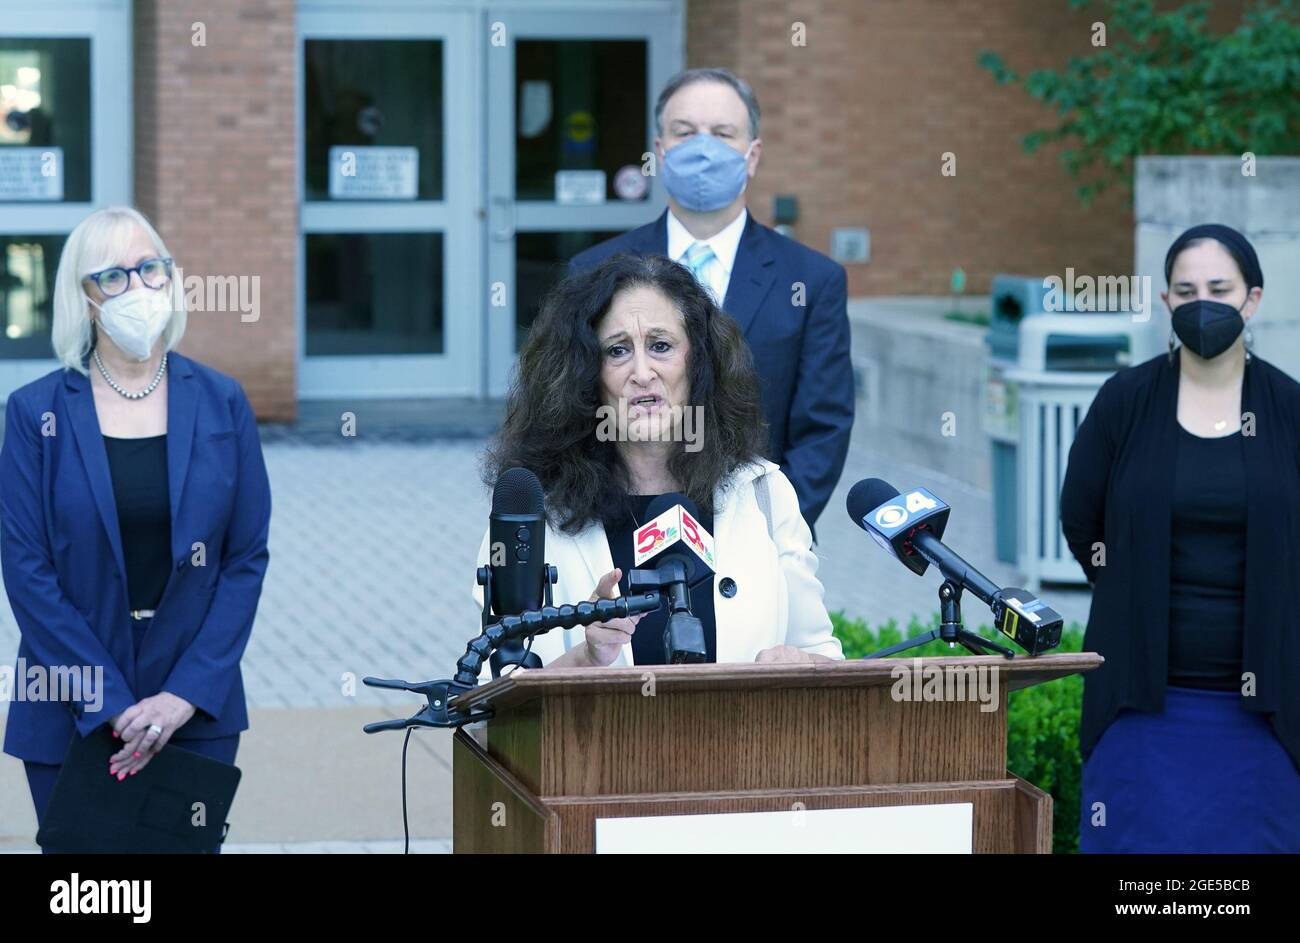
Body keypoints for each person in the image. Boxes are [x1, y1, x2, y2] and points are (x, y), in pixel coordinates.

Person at [0, 206, 272, 841]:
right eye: (114, 276)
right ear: (84, 297)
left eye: (151, 268)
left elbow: (244, 560)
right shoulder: (34, 412)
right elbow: (27, 571)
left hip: (194, 703)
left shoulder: (222, 401)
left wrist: (182, 696)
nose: (139, 288)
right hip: (70, 702)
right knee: (91, 891)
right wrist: (109, 703)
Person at [474, 252, 843, 668]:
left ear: (699, 361)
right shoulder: (533, 512)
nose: (642, 372)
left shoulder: (763, 491)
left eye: (661, 346)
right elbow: (496, 689)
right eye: (617, 351)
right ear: (585, 372)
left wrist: (800, 666)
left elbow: (823, 656)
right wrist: (588, 658)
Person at [1060, 223, 1300, 852]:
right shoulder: (1125, 401)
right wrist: (1131, 590)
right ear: (1166, 301)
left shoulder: (1290, 410)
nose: (1202, 304)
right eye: (1186, 291)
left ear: (1252, 299)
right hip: (1139, 708)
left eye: (1220, 289)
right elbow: (1081, 520)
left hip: (1269, 716)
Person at [569, 68, 854, 536]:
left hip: (762, 535)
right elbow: (572, 411)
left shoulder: (812, 280)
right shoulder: (594, 272)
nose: (703, 149)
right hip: (621, 528)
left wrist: (773, 530)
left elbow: (823, 427)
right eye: (685, 132)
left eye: (722, 133)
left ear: (752, 155)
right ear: (661, 151)